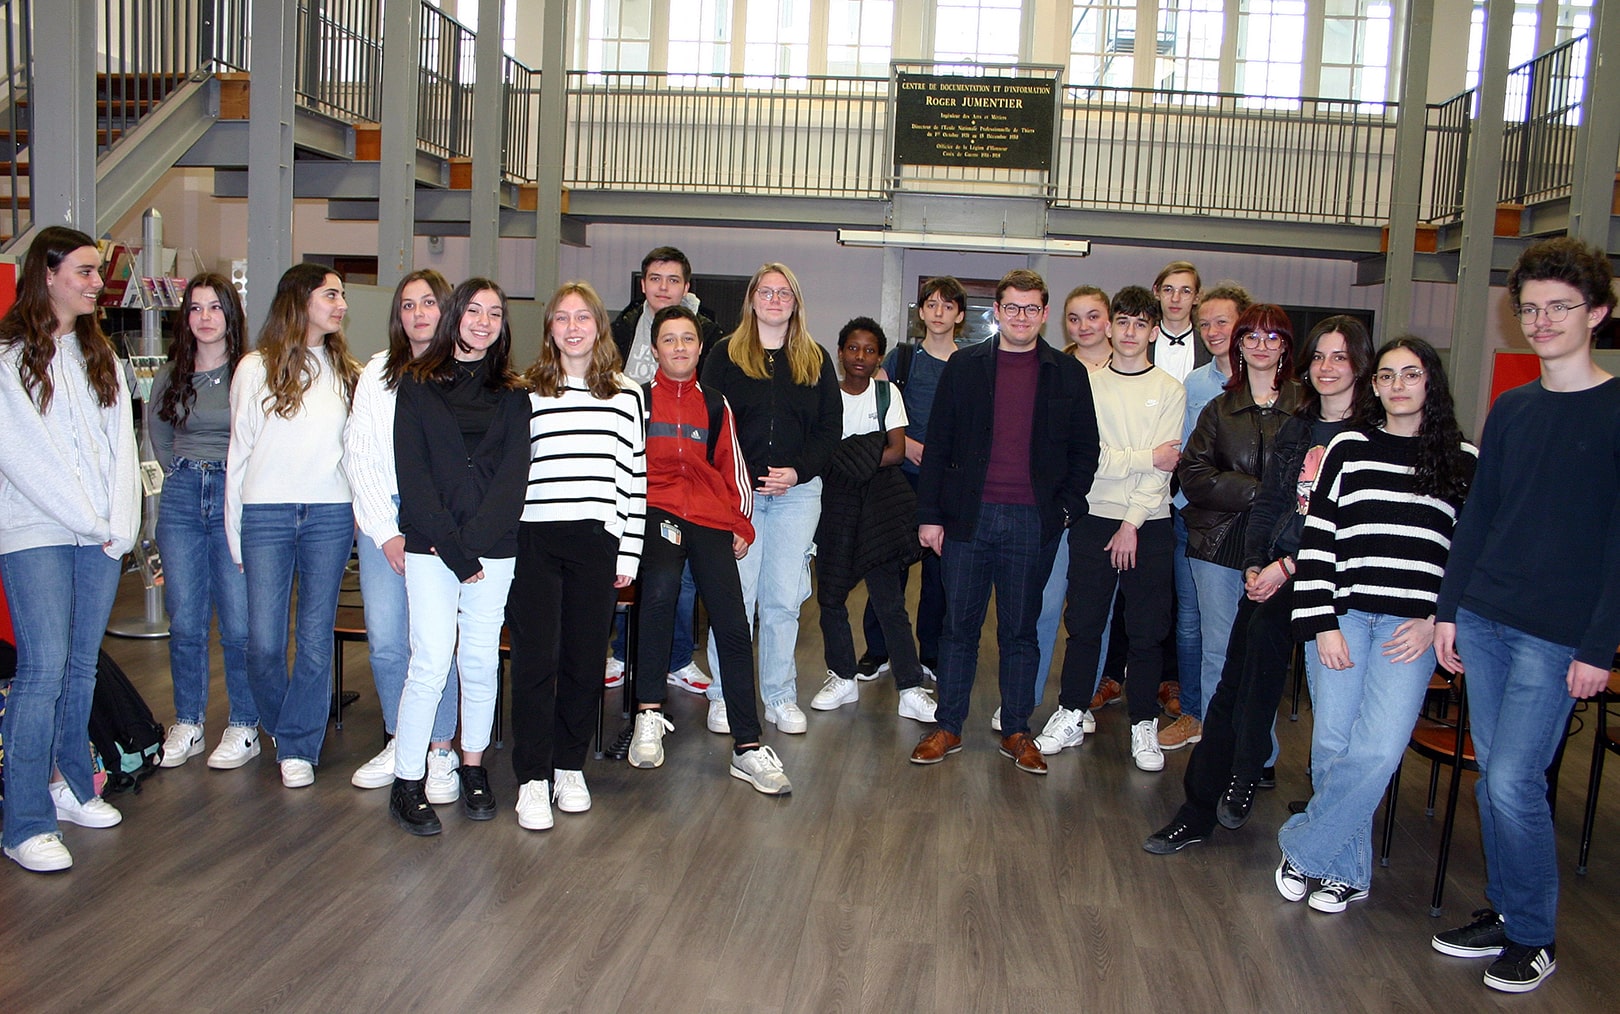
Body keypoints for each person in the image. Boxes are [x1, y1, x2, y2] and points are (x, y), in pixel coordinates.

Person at [1430, 236, 1620, 994]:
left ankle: (1534, 936)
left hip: (1556, 634)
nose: (1541, 321)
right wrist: (1449, 609)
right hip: (1484, 617)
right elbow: (1479, 517)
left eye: (1559, 308)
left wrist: (1598, 645)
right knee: (1495, 781)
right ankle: (1508, 911)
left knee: (1513, 781)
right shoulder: (1512, 407)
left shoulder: (1616, 409)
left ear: (1597, 313)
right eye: (1531, 308)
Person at [1145, 315, 1374, 855]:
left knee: (1318, 700)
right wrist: (1255, 563)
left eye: (1340, 357)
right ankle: (1201, 806)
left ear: (1360, 365)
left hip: (1338, 581)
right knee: (1234, 681)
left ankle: (1263, 779)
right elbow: (1272, 502)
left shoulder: (1371, 435)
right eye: (1321, 357)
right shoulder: (1301, 425)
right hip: (1274, 567)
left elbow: (1347, 521)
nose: (1328, 367)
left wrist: (1286, 565)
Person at [1273, 336, 1475, 913]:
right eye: (1387, 375)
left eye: (1410, 374)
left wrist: (1437, 618)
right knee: (1332, 745)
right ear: (1374, 385)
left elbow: (1470, 556)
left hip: (1410, 628)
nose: (1397, 385)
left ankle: (1305, 848)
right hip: (1343, 616)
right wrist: (1322, 621)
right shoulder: (1347, 446)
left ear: (1431, 381)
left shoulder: (1464, 459)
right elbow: (1319, 540)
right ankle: (1345, 872)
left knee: (1380, 750)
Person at [910, 268, 1099, 774]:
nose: (1021, 316)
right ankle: (949, 725)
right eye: (1011, 307)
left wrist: (1063, 510)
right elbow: (938, 445)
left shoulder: (1067, 373)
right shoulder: (965, 366)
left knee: (1020, 631)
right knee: (958, 629)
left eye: (1031, 308)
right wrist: (930, 516)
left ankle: (1017, 728)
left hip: (1032, 522)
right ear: (996, 311)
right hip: (967, 520)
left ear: (1044, 314)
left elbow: (1086, 451)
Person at [0, 226, 138, 873]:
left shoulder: (98, 353)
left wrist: (120, 522)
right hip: (38, 532)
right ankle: (25, 822)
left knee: (81, 665)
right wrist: (90, 518)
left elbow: (120, 445)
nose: (95, 283)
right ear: (47, 275)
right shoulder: (9, 356)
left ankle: (72, 785)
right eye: (83, 271)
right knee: (43, 668)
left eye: (96, 272)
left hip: (99, 535)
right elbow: (26, 457)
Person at [387, 278, 530, 835]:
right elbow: (413, 477)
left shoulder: (514, 394)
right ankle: (407, 781)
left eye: (494, 313)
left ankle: (473, 768)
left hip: (493, 549)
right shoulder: (417, 384)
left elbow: (513, 480)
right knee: (429, 662)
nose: (483, 321)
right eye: (474, 310)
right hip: (431, 547)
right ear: (455, 316)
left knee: (479, 660)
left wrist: (474, 548)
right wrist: (454, 549)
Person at [627, 304, 790, 793]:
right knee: (659, 590)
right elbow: (624, 467)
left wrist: (740, 523)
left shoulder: (717, 405)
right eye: (669, 339)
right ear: (655, 349)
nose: (679, 347)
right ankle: (648, 713)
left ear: (700, 348)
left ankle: (748, 745)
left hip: (707, 516)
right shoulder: (637, 401)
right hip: (657, 509)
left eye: (687, 339)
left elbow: (731, 467)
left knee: (733, 618)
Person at [506, 281, 646, 831]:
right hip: (535, 541)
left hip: (597, 543)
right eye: (561, 318)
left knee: (585, 662)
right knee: (536, 662)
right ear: (549, 329)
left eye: (582, 317)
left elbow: (634, 479)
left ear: (599, 327)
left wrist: (629, 552)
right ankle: (532, 778)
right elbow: (513, 474)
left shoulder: (626, 395)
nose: (572, 327)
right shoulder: (527, 391)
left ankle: (569, 766)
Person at [1034, 286, 1183, 769]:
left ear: (1154, 332)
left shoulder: (1170, 390)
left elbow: (1166, 467)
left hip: (1149, 523)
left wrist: (1131, 523)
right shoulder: (1087, 384)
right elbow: (1089, 458)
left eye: (1141, 324)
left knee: (1146, 631)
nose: (1131, 332)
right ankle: (1071, 711)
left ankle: (1143, 724)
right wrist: (1142, 457)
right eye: (1123, 322)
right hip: (1094, 516)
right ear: (1110, 328)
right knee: (1084, 625)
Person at [226, 263, 361, 789]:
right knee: (262, 643)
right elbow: (239, 456)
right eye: (331, 295)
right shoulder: (254, 368)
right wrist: (236, 536)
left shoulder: (346, 371)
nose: (341, 304)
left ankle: (299, 744)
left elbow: (354, 453)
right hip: (265, 516)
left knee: (313, 638)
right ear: (300, 300)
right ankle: (283, 726)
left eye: (342, 295)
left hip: (329, 514)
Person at [700, 263, 840, 737]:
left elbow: (830, 430)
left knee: (783, 601)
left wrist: (798, 470)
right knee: (734, 600)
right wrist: (732, 482)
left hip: (797, 495)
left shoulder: (816, 359)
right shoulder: (725, 354)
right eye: (766, 291)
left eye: (784, 293)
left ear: (795, 302)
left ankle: (779, 696)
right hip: (739, 498)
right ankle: (725, 695)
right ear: (752, 300)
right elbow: (710, 424)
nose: (775, 300)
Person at [344, 269, 463, 800]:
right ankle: (400, 739)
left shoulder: (461, 371)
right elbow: (360, 454)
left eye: (429, 302)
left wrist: (438, 523)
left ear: (446, 309)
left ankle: (439, 749)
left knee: (435, 644)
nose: (418, 313)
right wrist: (385, 531)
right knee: (388, 640)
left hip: (439, 519)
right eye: (408, 304)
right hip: (384, 520)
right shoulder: (377, 373)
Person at [1176, 303, 1304, 762]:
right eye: (1251, 337)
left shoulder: (1306, 406)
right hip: (1218, 542)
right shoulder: (1219, 408)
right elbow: (1192, 475)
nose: (1261, 346)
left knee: (1264, 656)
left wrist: (1273, 505)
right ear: (1239, 346)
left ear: (1286, 346)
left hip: (1281, 548)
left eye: (1273, 337)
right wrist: (1260, 492)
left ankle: (1258, 756)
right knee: (1218, 652)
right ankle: (1221, 752)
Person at [151, 273, 258, 770]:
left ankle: (244, 723)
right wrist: (181, 472)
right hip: (182, 496)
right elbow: (157, 431)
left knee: (237, 621)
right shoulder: (170, 374)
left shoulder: (248, 373)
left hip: (234, 496)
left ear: (230, 314)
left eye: (214, 307)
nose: (205, 318)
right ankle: (188, 722)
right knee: (185, 620)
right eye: (195, 308)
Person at [811, 317, 936, 723]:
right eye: (852, 347)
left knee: (889, 601)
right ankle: (842, 676)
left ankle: (910, 687)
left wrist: (847, 455)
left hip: (878, 508)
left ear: (879, 357)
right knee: (831, 596)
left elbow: (896, 451)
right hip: (834, 505)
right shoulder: (824, 394)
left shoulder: (887, 394)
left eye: (869, 350)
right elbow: (818, 451)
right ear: (840, 352)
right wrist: (865, 450)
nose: (860, 356)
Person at [608, 245, 719, 696]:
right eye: (655, 279)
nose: (663, 287)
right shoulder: (620, 328)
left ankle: (677, 659)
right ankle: (621, 654)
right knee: (626, 567)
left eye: (673, 280)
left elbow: (712, 398)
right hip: (632, 466)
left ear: (686, 286)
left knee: (682, 579)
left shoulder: (709, 332)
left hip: (687, 476)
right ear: (643, 285)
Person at [859, 276, 968, 682]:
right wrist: (908, 446)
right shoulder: (901, 360)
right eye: (932, 304)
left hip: (947, 484)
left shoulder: (970, 365)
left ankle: (932, 655)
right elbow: (876, 415)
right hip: (900, 478)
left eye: (948, 306)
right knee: (888, 566)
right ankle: (879, 649)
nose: (939, 312)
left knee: (941, 575)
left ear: (959, 315)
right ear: (921, 312)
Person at [1159, 283, 1253, 750]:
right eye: (1206, 324)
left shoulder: (1269, 384)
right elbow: (1182, 456)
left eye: (1223, 322)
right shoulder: (1194, 384)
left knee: (1236, 630)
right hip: (1191, 519)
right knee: (1190, 621)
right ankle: (1195, 714)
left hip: (1247, 524)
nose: (1213, 331)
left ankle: (1235, 727)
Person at [1030, 285, 1115, 729]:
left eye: (1093, 316)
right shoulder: (1053, 368)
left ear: (1109, 321)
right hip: (1062, 507)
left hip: (1109, 509)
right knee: (1044, 606)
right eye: (1075, 318)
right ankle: (1025, 698)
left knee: (1092, 615)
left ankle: (1079, 702)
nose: (1084, 326)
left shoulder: (1128, 368)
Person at [1148, 261, 1207, 384]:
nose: (1175, 299)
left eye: (1185, 291)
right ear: (1156, 292)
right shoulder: (1142, 344)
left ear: (1197, 297)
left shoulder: (1208, 347)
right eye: (1168, 290)